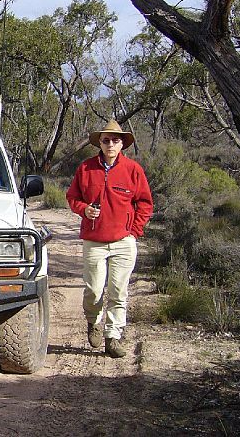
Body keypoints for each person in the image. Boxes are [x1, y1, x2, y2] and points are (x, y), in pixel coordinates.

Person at [66, 119, 153, 358]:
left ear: (123, 143)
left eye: (116, 140)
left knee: (118, 292)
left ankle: (113, 337)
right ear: (100, 144)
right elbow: (73, 197)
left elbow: (145, 203)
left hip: (124, 242)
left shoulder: (133, 170)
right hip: (94, 240)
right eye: (106, 140)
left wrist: (134, 231)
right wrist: (84, 209)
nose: (111, 144)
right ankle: (93, 321)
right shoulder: (86, 168)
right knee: (94, 290)